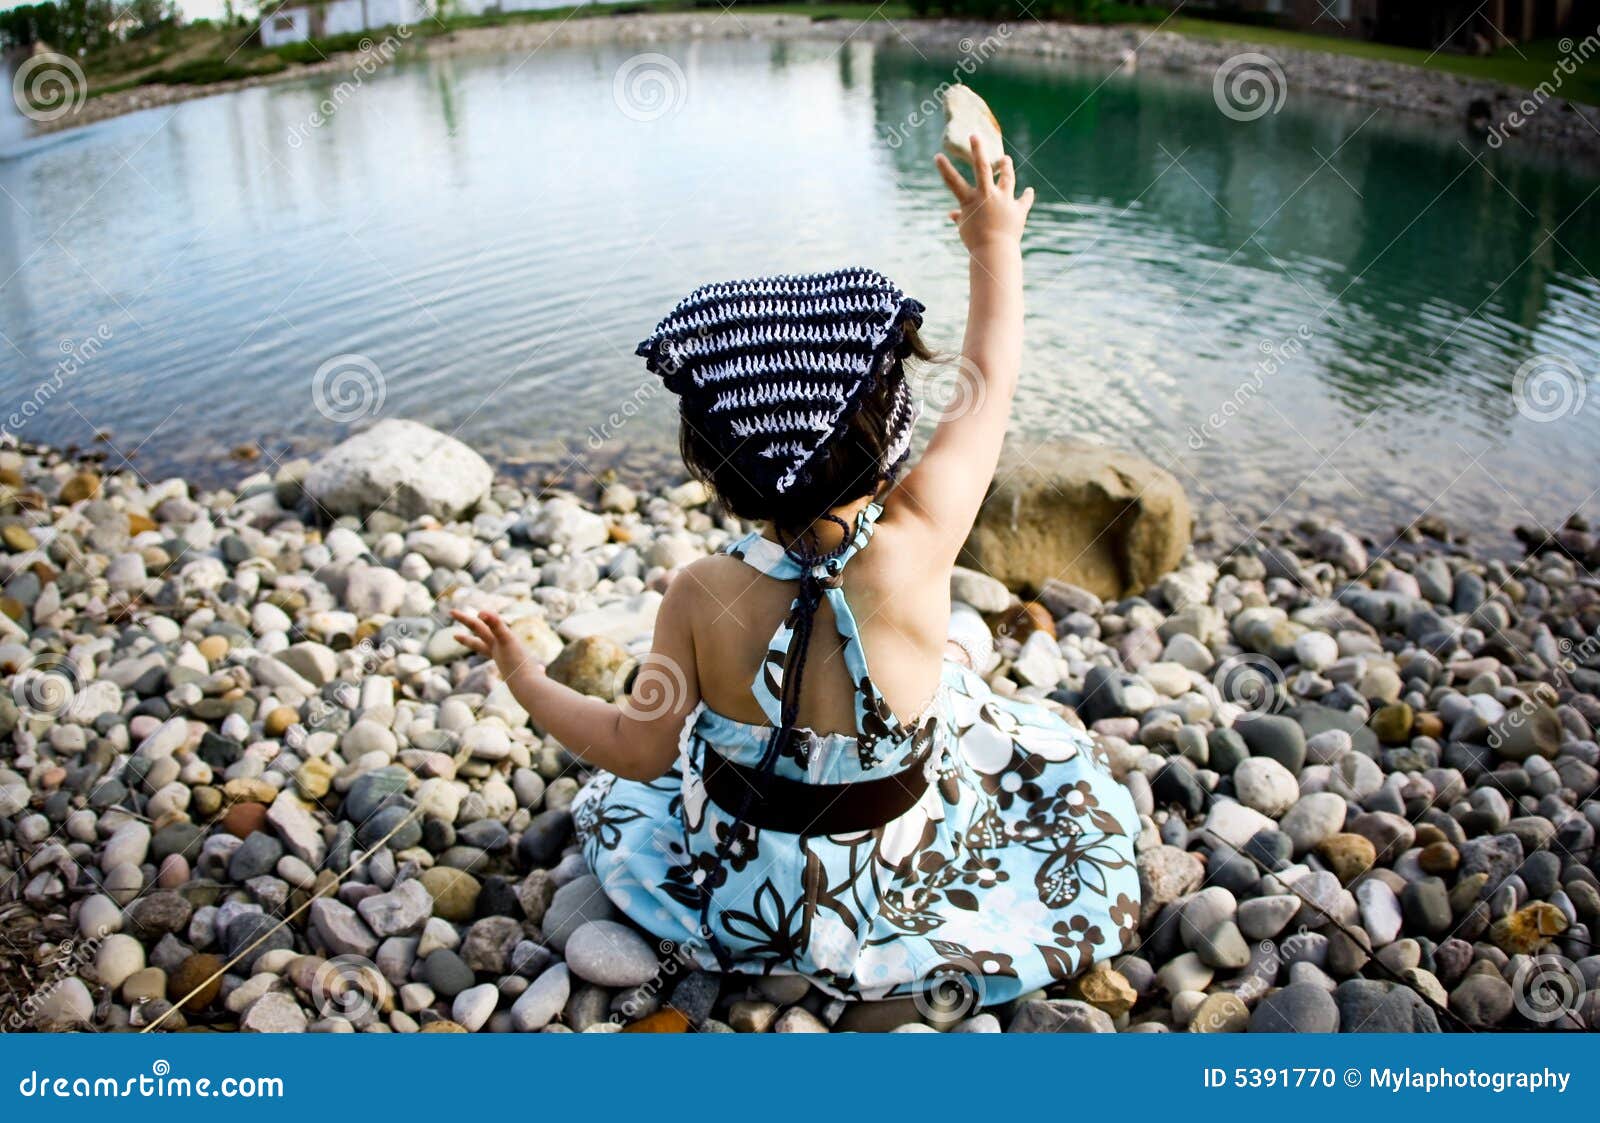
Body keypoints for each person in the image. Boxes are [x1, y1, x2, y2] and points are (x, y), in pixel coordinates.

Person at [452, 137, 1140, 1010]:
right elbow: (991, 379)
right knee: (975, 704)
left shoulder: (700, 593)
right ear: (891, 432)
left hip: (742, 893)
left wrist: (522, 675)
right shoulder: (922, 535)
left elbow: (636, 749)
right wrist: (993, 245)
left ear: (715, 465)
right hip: (895, 873)